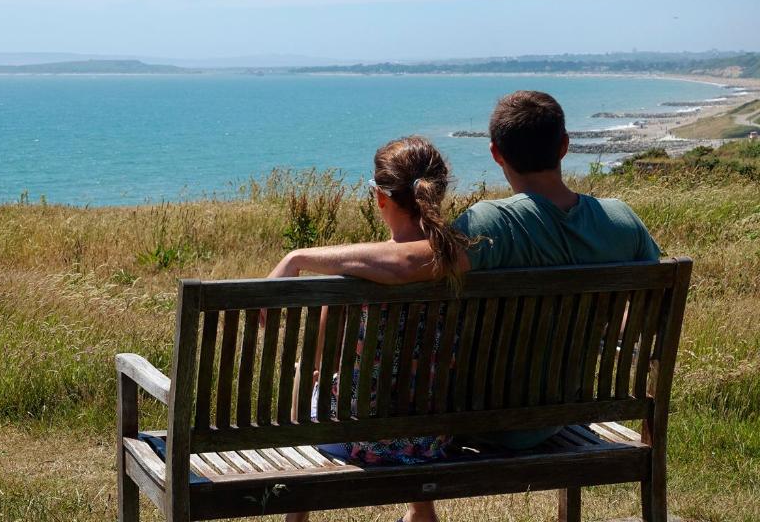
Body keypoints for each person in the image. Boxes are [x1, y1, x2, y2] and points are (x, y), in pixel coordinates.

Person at [270, 91, 661, 522]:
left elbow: (405, 263)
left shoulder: (494, 224)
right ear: (565, 145)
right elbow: (645, 318)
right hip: (569, 412)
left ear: (495, 154)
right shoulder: (623, 221)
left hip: (492, 424)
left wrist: (300, 256)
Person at [275, 136, 469, 522]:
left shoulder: (356, 280)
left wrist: (296, 256)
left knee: (304, 371)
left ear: (380, 198)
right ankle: (420, 513)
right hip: (434, 435)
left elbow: (319, 360)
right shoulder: (462, 261)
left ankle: (296, 515)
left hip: (359, 436)